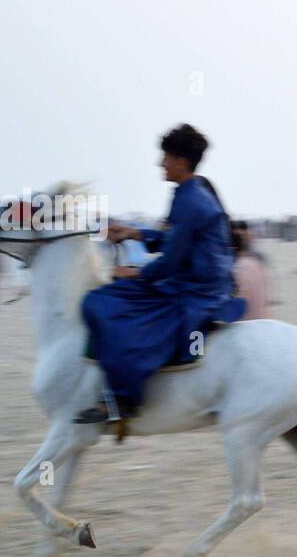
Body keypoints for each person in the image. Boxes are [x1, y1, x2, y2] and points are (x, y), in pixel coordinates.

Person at [76, 124, 243, 423]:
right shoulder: (193, 192)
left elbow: (171, 261)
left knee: (101, 302)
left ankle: (122, 398)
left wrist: (134, 274)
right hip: (201, 280)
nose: (159, 163)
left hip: (195, 289)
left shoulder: (191, 199)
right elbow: (175, 239)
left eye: (165, 157)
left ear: (180, 161)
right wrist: (134, 233)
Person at [230, 220, 271, 320]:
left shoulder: (235, 270)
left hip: (246, 329)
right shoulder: (256, 264)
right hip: (262, 324)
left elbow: (237, 311)